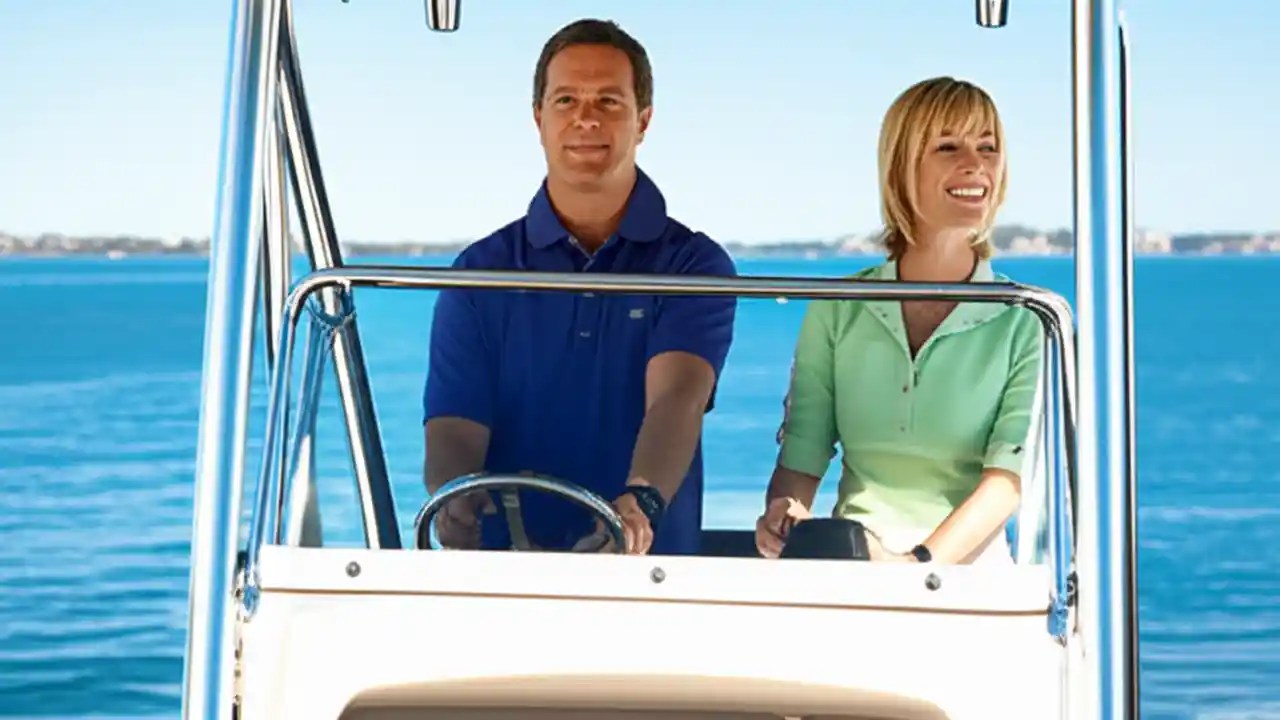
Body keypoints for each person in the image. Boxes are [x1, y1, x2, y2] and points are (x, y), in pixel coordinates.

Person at [422, 18, 737, 556]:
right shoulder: (477, 272)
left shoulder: (694, 263)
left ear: (643, 121)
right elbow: (454, 426)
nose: (586, 118)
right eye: (566, 100)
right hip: (501, 585)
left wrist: (641, 503)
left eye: (609, 101)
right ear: (538, 118)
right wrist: (453, 498)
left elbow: (677, 398)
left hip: (653, 579)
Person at [755, 76, 1042, 565]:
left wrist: (916, 566)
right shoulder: (837, 307)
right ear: (900, 167)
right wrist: (782, 514)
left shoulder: (1025, 321)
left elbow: (1006, 483)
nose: (975, 164)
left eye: (988, 147)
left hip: (972, 588)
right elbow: (804, 452)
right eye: (948, 146)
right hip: (852, 566)